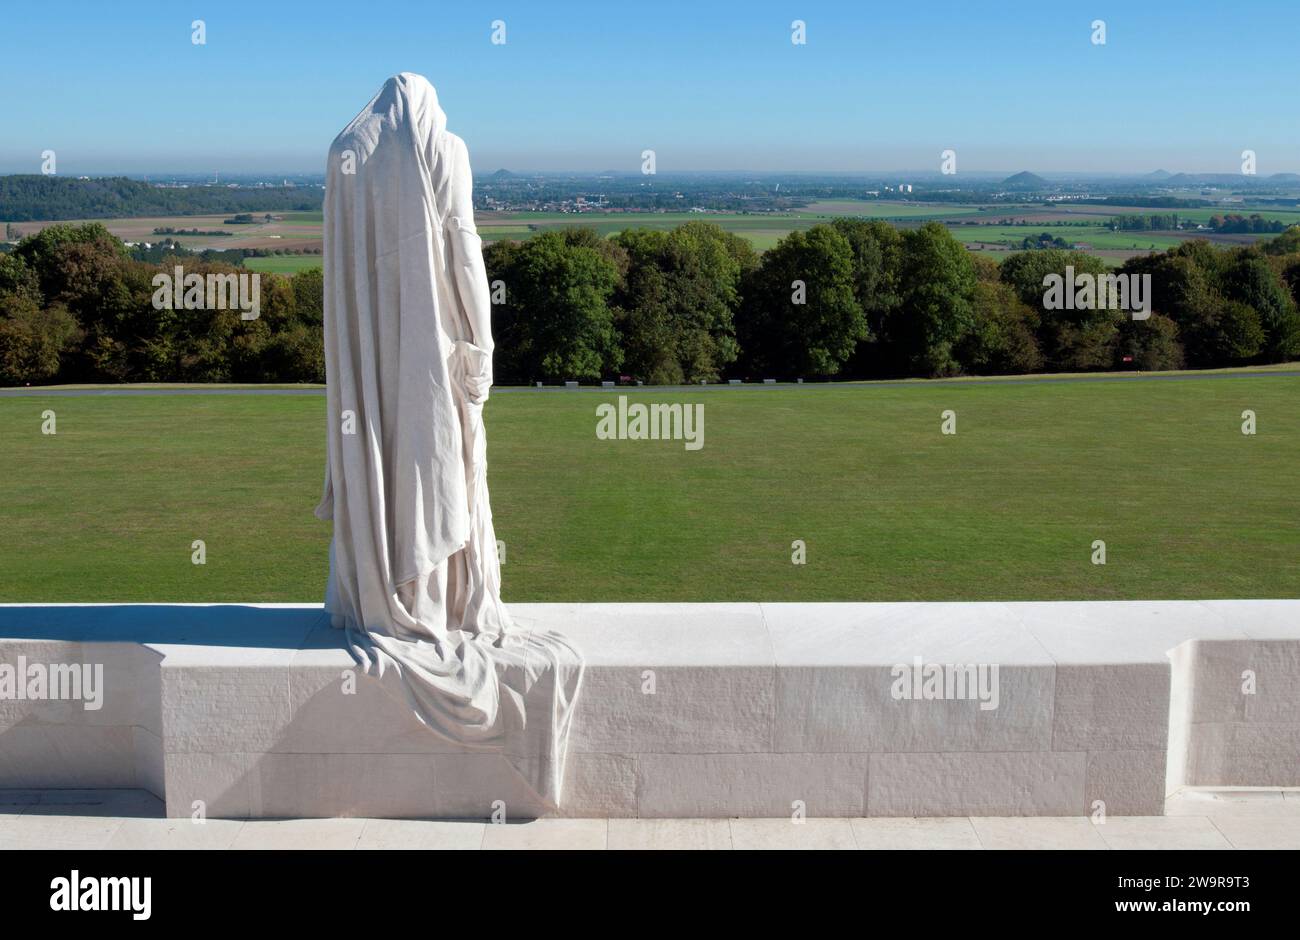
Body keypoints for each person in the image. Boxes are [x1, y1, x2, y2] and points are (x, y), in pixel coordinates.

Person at [314, 73, 582, 807]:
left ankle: (391, 591)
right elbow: (464, 247)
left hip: (376, 360)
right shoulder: (442, 146)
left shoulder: (345, 151)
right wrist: (483, 344)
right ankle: (433, 599)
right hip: (432, 352)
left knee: (401, 463)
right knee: (441, 471)